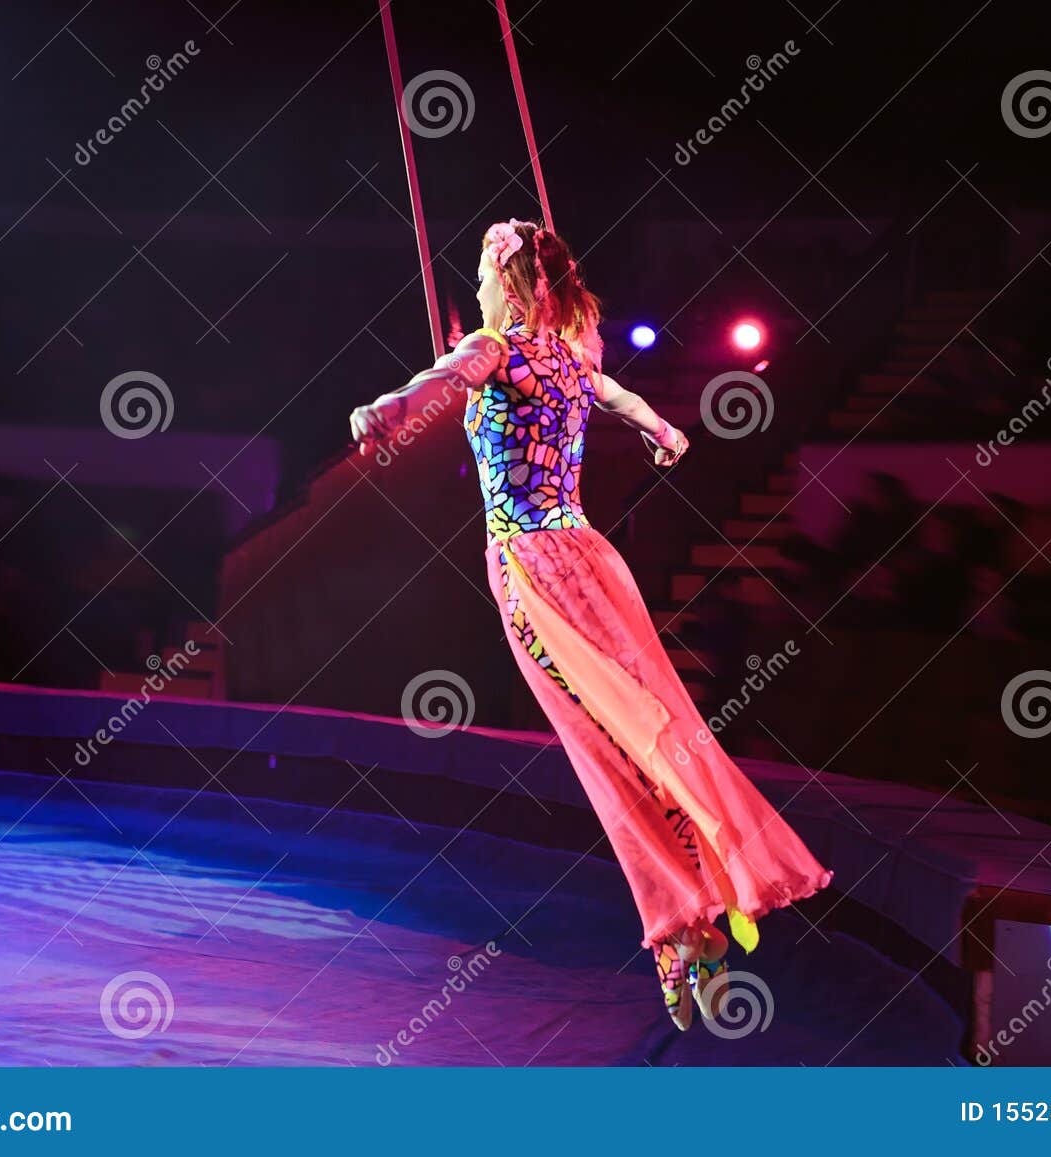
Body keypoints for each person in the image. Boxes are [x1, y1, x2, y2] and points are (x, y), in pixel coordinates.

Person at [350, 219, 831, 1031]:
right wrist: (665, 431)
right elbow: (622, 398)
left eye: (482, 275)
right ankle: (695, 903)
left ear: (512, 286)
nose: (475, 288)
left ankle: (683, 923)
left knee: (608, 748)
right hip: (595, 562)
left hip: (534, 571)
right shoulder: (573, 360)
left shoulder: (496, 349)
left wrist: (391, 405)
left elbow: (448, 369)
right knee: (646, 728)